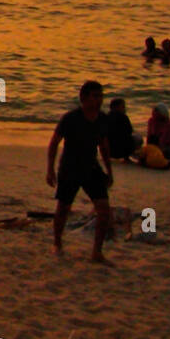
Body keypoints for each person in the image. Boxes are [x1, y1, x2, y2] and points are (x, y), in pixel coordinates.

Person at [47, 80, 115, 262]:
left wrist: (109, 170)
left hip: (91, 168)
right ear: (83, 98)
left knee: (103, 209)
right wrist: (50, 169)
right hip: (70, 168)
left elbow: (104, 146)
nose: (99, 100)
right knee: (63, 208)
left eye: (101, 96)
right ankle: (57, 242)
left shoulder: (102, 119)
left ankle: (97, 252)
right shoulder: (71, 118)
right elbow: (54, 142)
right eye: (95, 96)